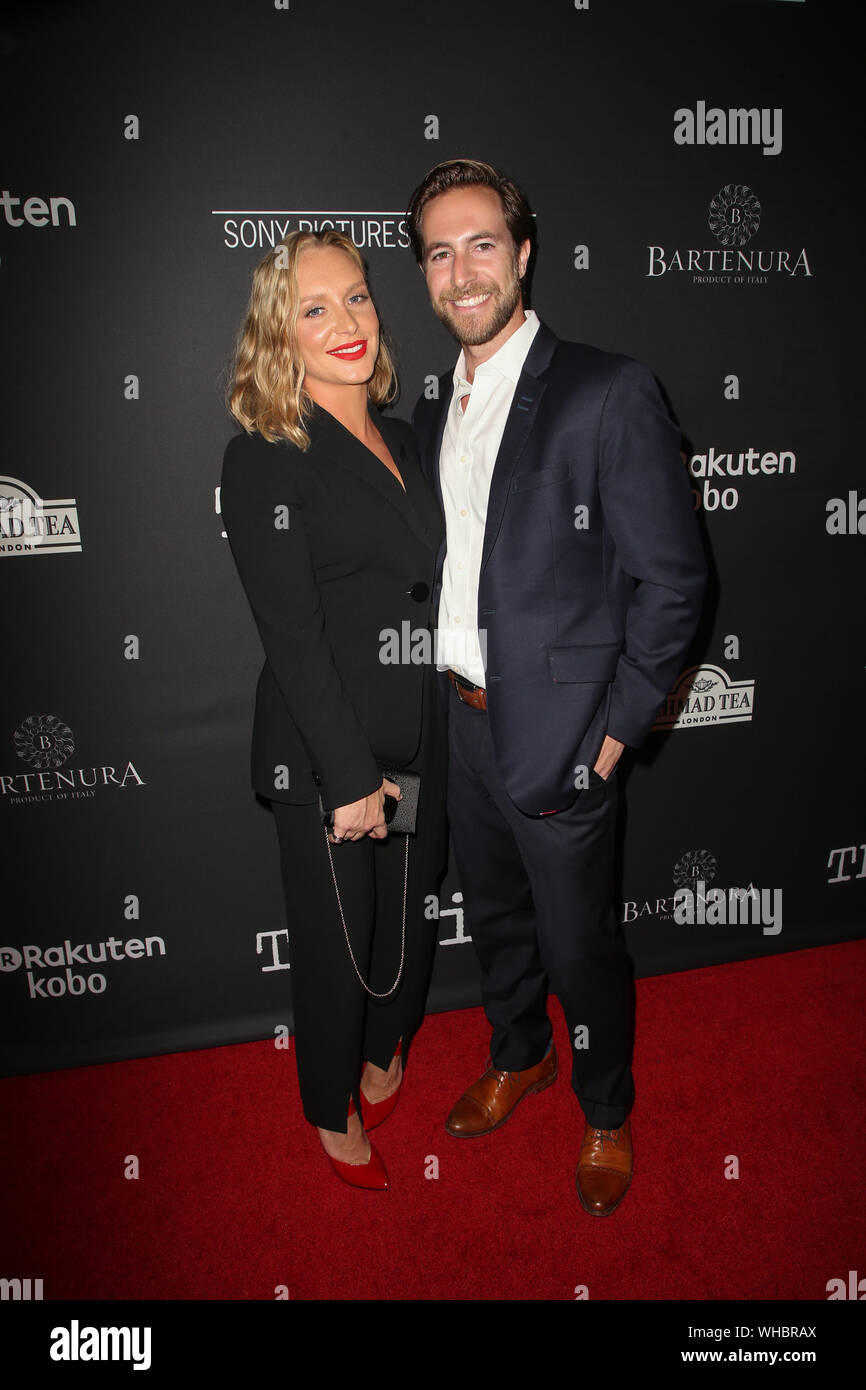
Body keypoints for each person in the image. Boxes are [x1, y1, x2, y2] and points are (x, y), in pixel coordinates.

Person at [407, 159, 706, 1216]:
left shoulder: (605, 388)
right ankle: (518, 1051)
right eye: (438, 252)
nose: (461, 269)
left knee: (580, 943)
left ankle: (604, 1107)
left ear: (523, 252)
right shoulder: (438, 399)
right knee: (494, 921)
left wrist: (616, 733)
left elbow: (673, 582)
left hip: (568, 733)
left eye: (480, 242)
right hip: (464, 721)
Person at [220, 229, 447, 1190]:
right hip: (328, 756)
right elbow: (294, 636)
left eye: (356, 297)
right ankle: (328, 1106)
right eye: (315, 308)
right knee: (337, 948)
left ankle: (387, 1051)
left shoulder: (409, 439)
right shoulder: (264, 457)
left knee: (407, 929)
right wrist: (349, 780)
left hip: (428, 732)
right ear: (281, 334)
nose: (346, 322)